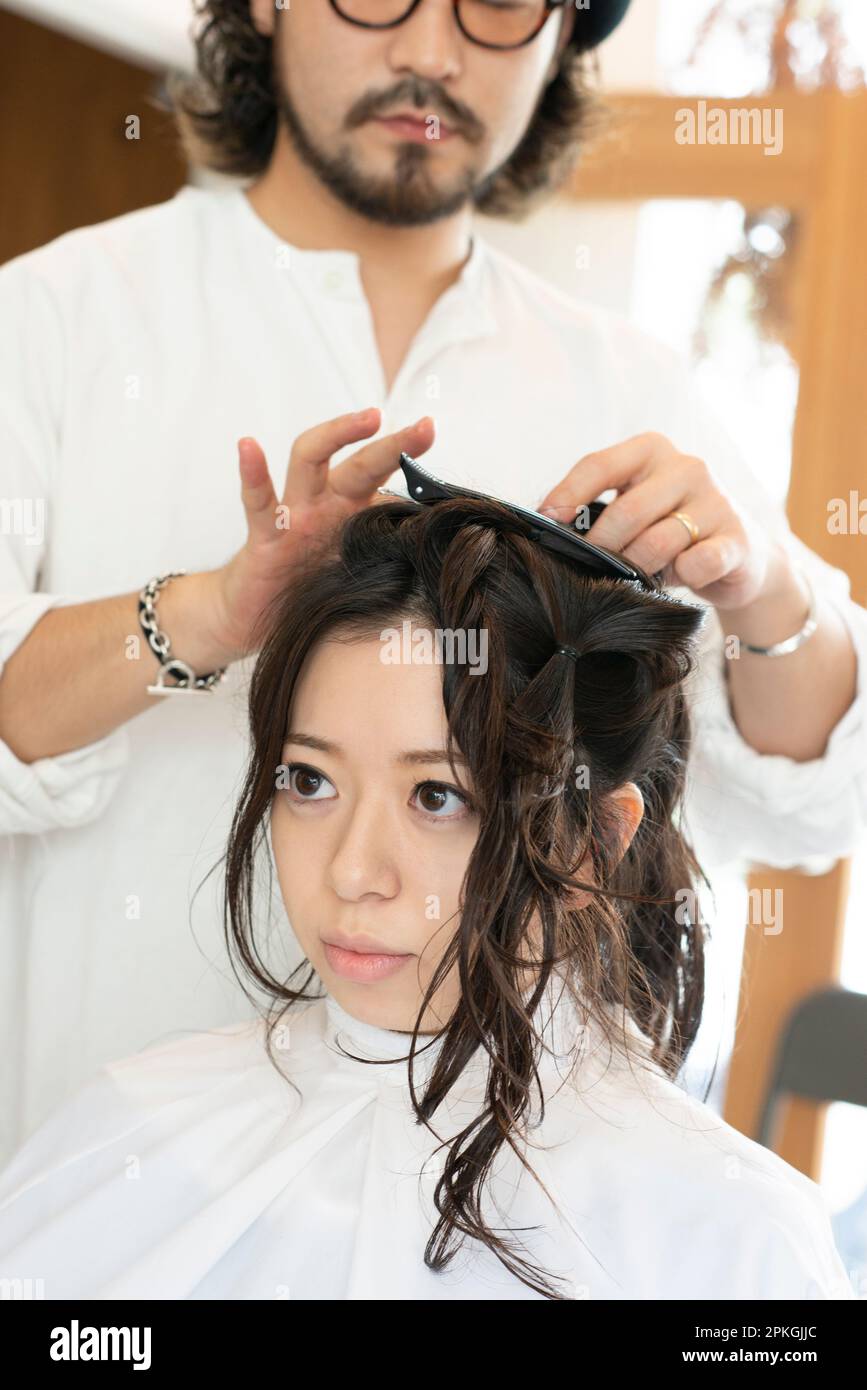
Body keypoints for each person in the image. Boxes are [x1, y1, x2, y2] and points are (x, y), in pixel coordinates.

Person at [1, 0, 866, 1165]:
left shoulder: (633, 377)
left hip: (509, 1222)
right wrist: (210, 612)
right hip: (120, 1207)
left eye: (500, 2)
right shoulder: (51, 323)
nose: (430, 51)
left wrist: (765, 594)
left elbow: (816, 801)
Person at [0, 491, 854, 1301]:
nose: (350, 873)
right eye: (308, 780)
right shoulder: (129, 1131)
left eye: (437, 796)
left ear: (593, 838)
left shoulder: (730, 1235)